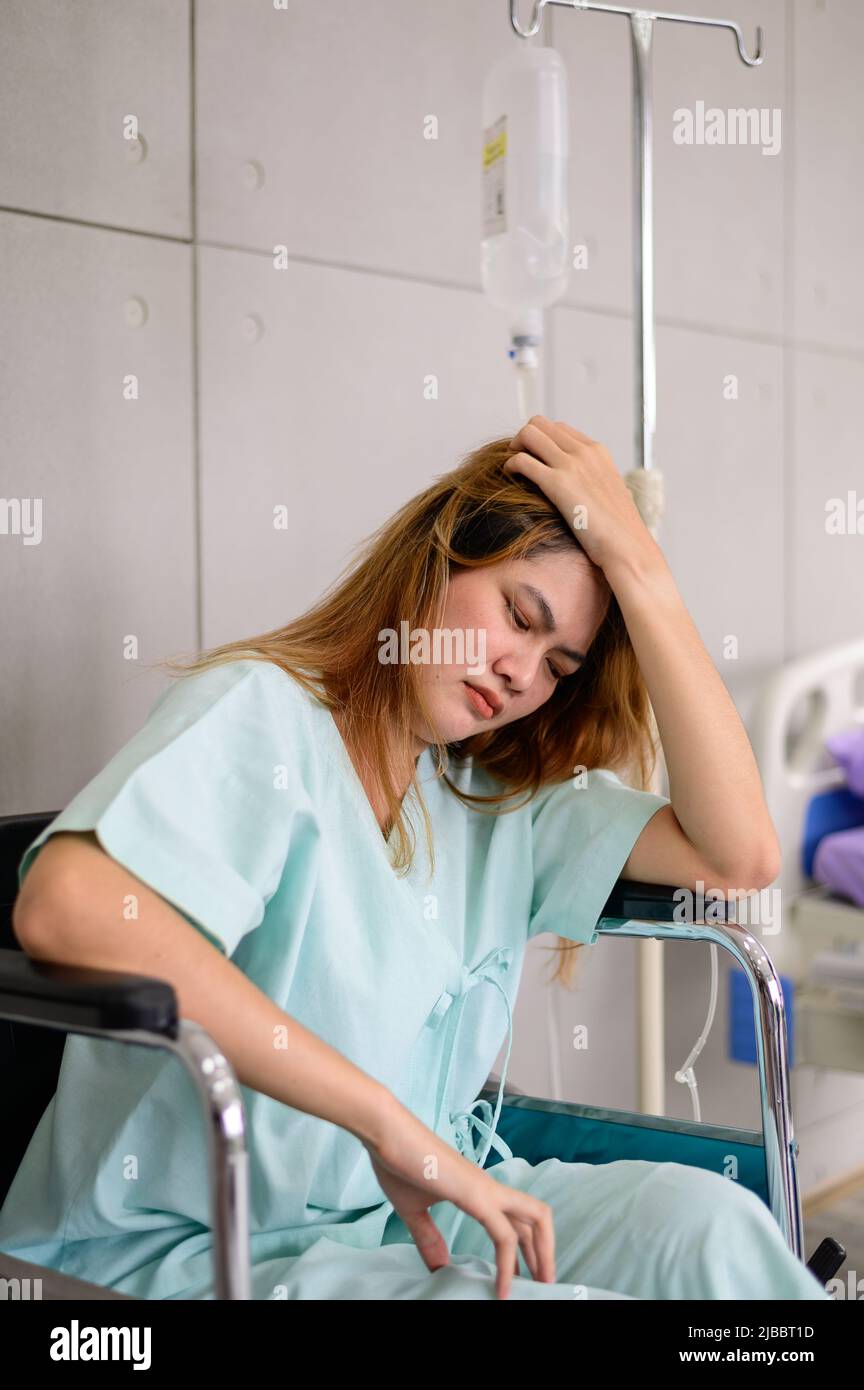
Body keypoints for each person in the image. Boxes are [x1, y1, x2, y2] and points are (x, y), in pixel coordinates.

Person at [2, 418, 829, 1300]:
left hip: (417, 1219)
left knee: (706, 1228)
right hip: (194, 1250)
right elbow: (66, 909)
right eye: (518, 614)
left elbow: (738, 856)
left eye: (557, 663)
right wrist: (387, 1125)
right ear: (435, 560)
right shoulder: (264, 718)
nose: (520, 674)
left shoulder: (497, 797)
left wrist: (642, 572)